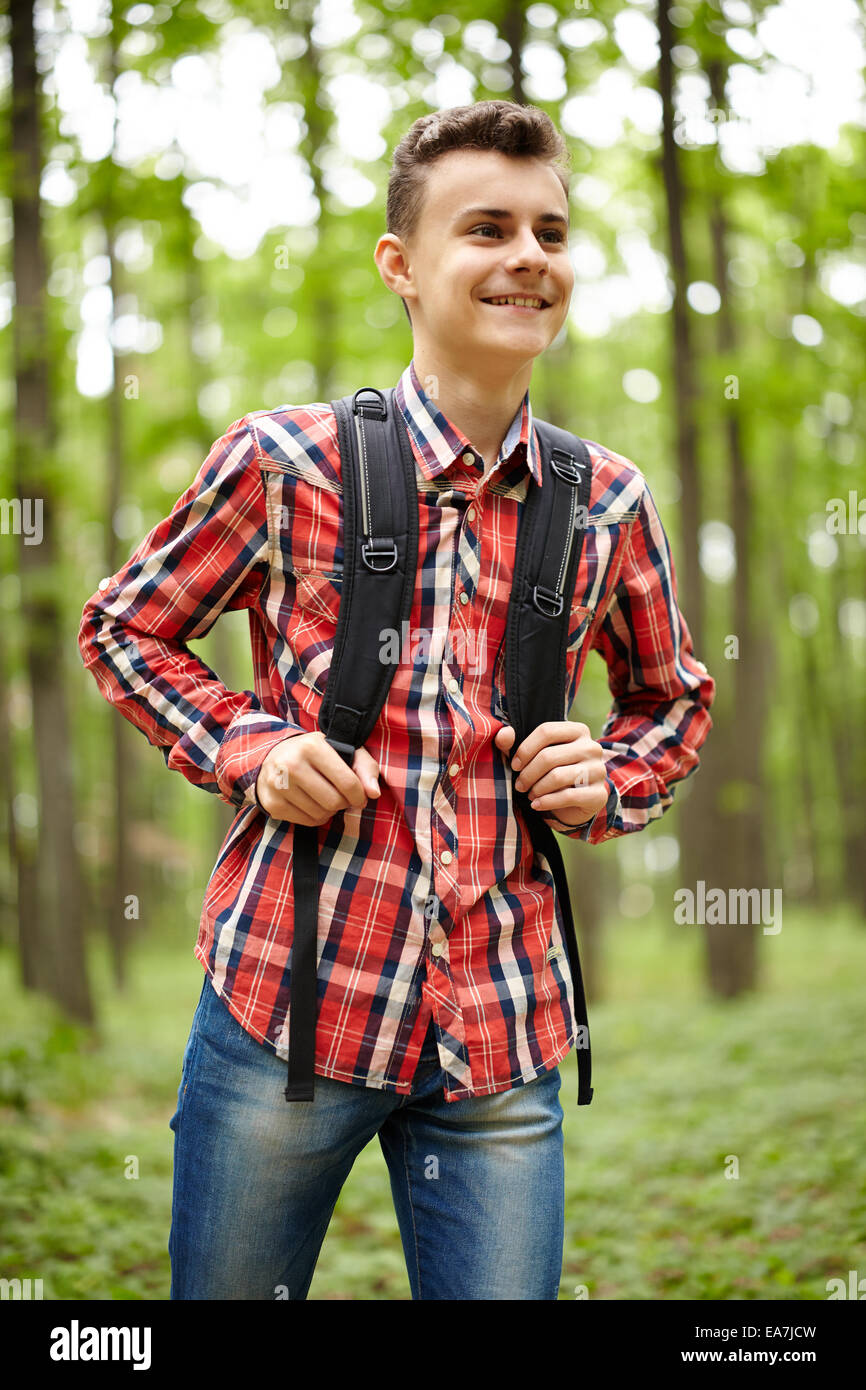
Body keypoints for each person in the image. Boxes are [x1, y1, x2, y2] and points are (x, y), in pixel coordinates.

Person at [78, 99, 715, 1301]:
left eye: (550, 231)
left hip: (503, 1034)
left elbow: (669, 702)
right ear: (402, 268)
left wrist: (610, 777)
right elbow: (123, 626)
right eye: (486, 228)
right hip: (286, 1013)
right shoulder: (286, 461)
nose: (528, 256)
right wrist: (251, 746)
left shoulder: (607, 501)